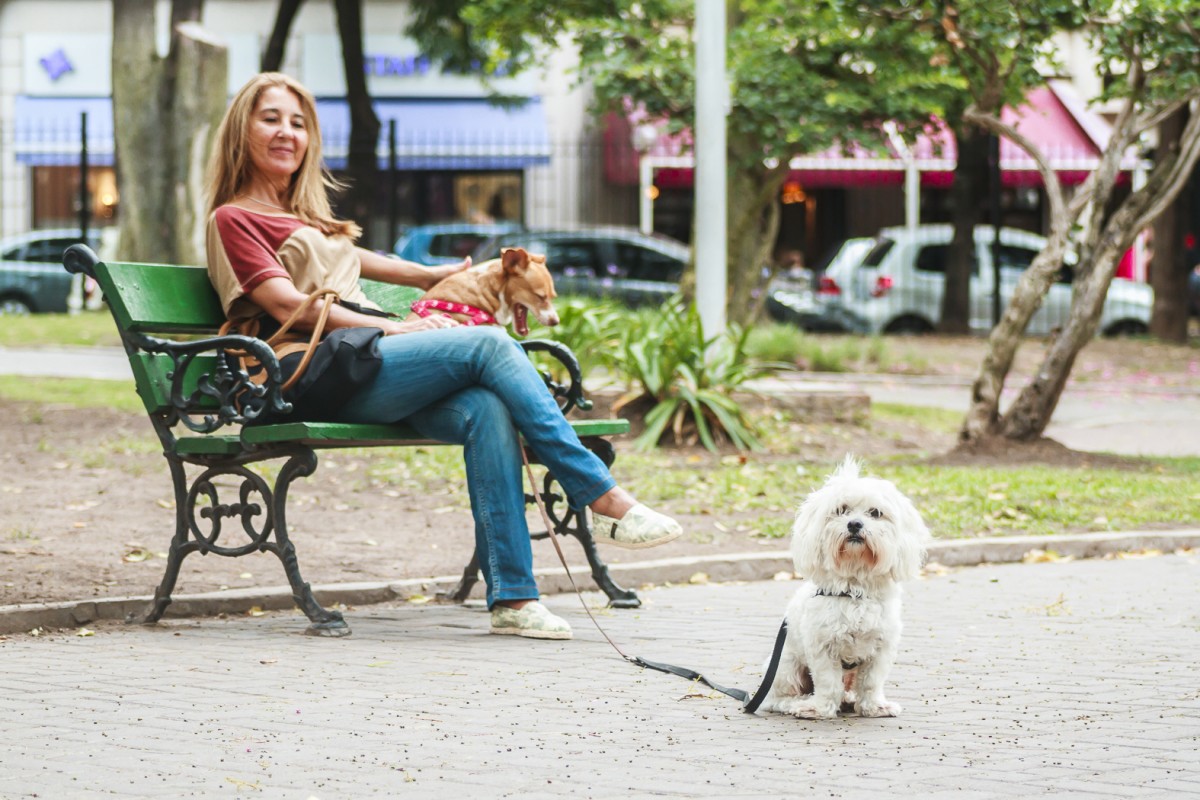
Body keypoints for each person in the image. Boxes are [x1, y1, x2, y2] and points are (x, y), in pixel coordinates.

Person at [204, 72, 682, 641]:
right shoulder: (234, 218)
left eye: (298, 123)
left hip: (361, 368)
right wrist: (391, 326)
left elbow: (366, 260)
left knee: (485, 408)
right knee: (486, 341)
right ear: (243, 130)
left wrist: (433, 274)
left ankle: (514, 599)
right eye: (271, 119)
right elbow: (290, 305)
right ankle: (600, 493)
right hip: (306, 374)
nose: (286, 132)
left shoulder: (305, 220)